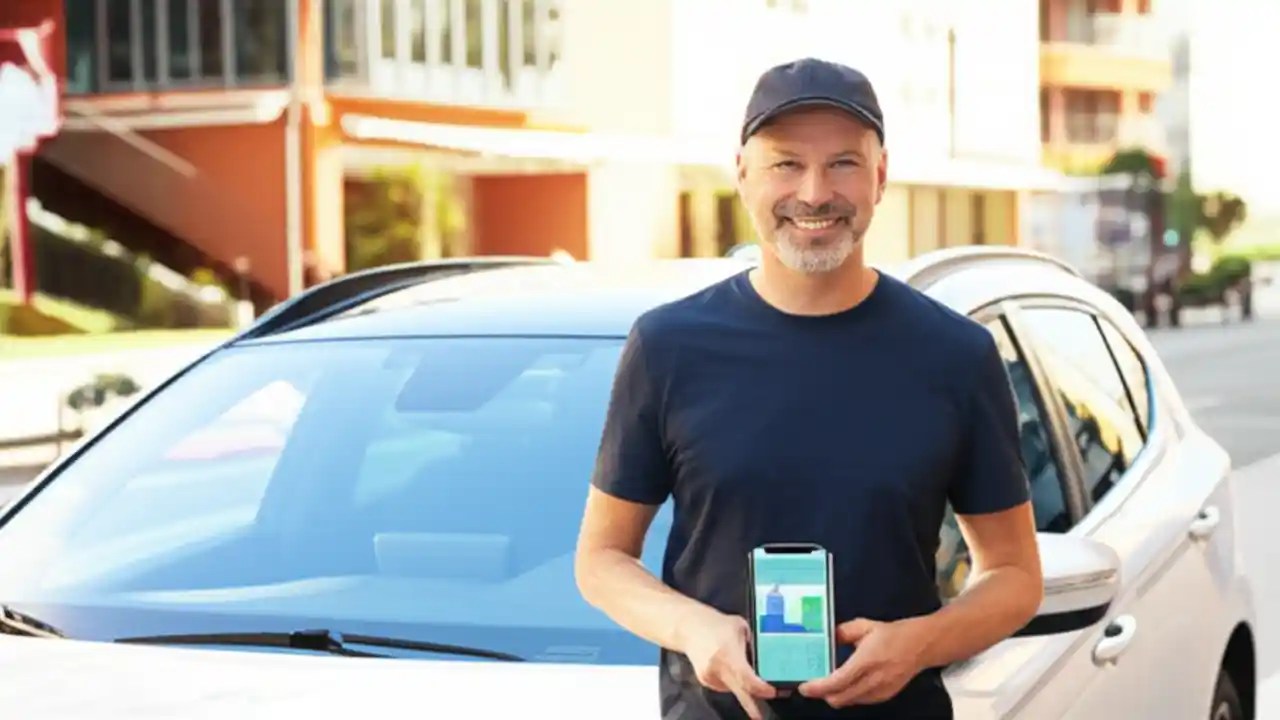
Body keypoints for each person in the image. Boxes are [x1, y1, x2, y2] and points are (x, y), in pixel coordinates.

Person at [574, 57, 1043, 720]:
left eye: (844, 163)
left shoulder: (955, 356)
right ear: (743, 173)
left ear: (880, 176)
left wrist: (917, 644)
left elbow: (1015, 576)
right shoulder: (667, 348)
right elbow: (601, 560)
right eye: (786, 163)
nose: (816, 192)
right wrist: (694, 631)